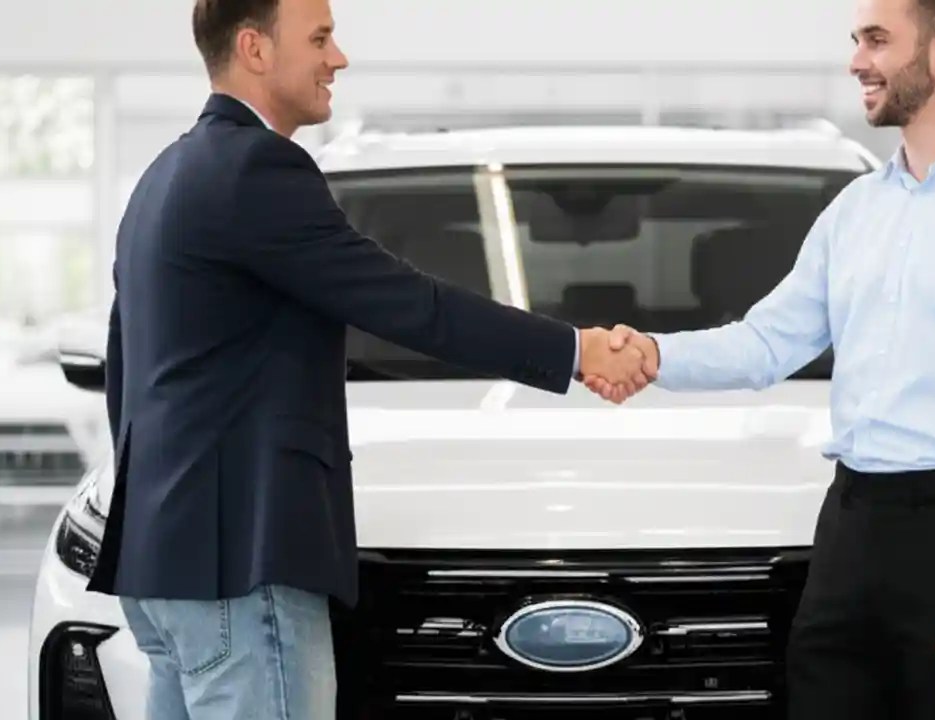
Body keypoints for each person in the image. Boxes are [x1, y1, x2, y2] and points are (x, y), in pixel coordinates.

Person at [86, 0, 649, 718]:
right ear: (256, 49)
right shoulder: (257, 168)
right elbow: (406, 303)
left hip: (167, 568)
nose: (338, 57)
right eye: (319, 38)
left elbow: (125, 370)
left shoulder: (164, 176)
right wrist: (576, 349)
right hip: (241, 568)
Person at [586, 0, 935, 717]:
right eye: (857, 40)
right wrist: (648, 353)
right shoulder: (854, 211)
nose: (857, 59)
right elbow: (766, 344)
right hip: (849, 530)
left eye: (878, 40)